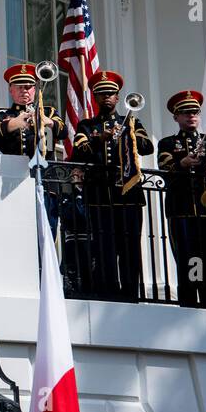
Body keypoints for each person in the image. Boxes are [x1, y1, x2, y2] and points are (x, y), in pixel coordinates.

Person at [72, 70, 154, 301]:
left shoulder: (131, 122)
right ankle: (107, 292)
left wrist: (127, 134)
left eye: (111, 93)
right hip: (99, 195)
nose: (106, 97)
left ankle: (130, 294)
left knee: (129, 247)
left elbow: (148, 147)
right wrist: (101, 138)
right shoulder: (86, 126)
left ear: (118, 97)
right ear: (95, 98)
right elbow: (79, 150)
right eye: (101, 94)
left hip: (128, 195)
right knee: (103, 246)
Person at [156, 90, 206, 309]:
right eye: (185, 113)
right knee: (189, 259)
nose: (191, 116)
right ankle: (189, 303)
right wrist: (181, 164)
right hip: (182, 211)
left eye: (195, 112)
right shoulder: (168, 143)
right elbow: (164, 168)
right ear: (176, 117)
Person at [0, 62, 66, 236]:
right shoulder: (1, 114)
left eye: (29, 86)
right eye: (19, 86)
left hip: (45, 183)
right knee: (15, 234)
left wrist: (47, 121)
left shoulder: (49, 111)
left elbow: (63, 131)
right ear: (11, 90)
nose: (24, 90)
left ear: (35, 89)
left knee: (46, 234)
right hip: (11, 183)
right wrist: (15, 123)